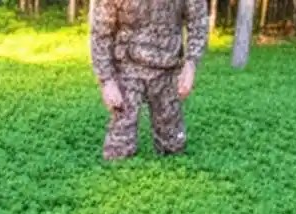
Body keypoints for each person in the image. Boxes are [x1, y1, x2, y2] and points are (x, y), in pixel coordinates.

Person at [89, 0, 209, 161]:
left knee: (173, 148)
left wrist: (191, 65)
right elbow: (100, 33)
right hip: (127, 67)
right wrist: (107, 81)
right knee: (118, 152)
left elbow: (198, 22)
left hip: (168, 68)